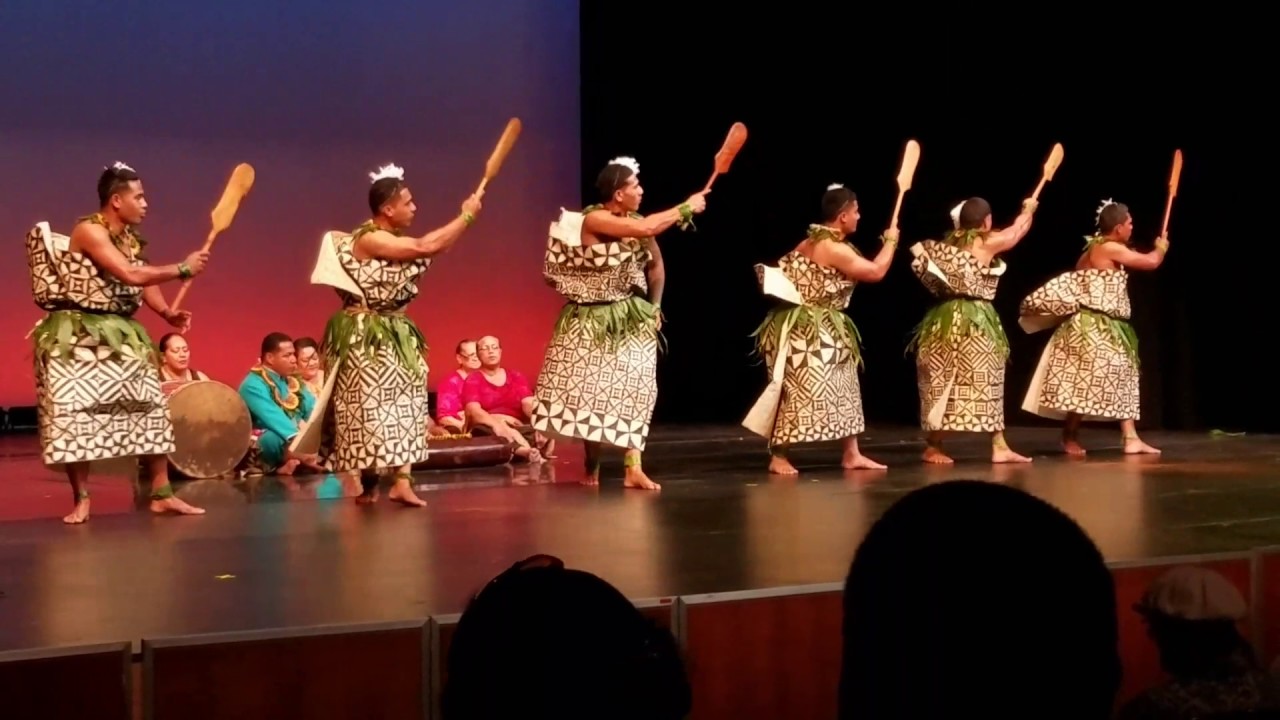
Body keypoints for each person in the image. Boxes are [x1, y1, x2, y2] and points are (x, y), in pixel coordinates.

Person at [25, 162, 209, 523]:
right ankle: (82, 498)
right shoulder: (90, 231)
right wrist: (183, 269)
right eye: (138, 197)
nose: (145, 204)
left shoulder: (127, 238)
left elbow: (141, 279)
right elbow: (128, 273)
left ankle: (161, 494)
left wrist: (166, 314)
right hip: (77, 335)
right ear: (115, 200)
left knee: (151, 407)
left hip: (120, 332)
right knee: (74, 415)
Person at [530, 156, 705, 490]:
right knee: (590, 394)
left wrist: (655, 307)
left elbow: (656, 267)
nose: (641, 191)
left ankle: (632, 468)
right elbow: (646, 228)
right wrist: (685, 207)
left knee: (638, 390)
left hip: (631, 317)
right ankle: (591, 465)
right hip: (591, 316)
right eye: (634, 186)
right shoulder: (594, 219)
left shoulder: (636, 220)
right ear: (618, 193)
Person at [312, 162, 482, 506]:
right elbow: (425, 247)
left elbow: (431, 246)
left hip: (397, 333)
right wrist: (465, 216)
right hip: (364, 335)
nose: (414, 207)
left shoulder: (391, 239)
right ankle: (370, 482)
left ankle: (402, 482)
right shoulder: (371, 239)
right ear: (387, 209)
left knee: (406, 408)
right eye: (408, 202)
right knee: (369, 411)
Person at [746, 184, 895, 474]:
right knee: (795, 390)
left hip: (825, 325)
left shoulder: (808, 243)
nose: (859, 216)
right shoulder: (831, 247)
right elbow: (875, 272)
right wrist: (890, 242)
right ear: (842, 216)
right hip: (810, 330)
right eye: (856, 211)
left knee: (845, 387)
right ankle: (778, 455)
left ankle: (851, 454)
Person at [1020, 200, 1165, 455]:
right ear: (1118, 228)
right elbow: (1150, 262)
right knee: (1090, 382)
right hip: (1093, 327)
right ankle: (1075, 436)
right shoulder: (1109, 248)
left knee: (1104, 378)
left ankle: (1121, 437)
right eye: (1129, 222)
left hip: (1093, 326)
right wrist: (1160, 249)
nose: (1132, 226)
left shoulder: (1090, 252)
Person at [906, 196, 1037, 464]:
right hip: (975, 319)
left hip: (943, 319)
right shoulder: (985, 243)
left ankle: (938, 444)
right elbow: (1016, 232)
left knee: (943, 379)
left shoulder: (945, 245)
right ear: (986, 222)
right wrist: (1028, 210)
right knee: (987, 377)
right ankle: (989, 445)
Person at [239, 332, 319, 474]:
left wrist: (317, 429)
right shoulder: (252, 384)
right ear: (270, 358)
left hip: (295, 437)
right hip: (267, 438)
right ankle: (291, 463)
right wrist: (301, 440)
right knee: (272, 438)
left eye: (293, 354)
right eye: (287, 355)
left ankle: (299, 461)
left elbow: (312, 409)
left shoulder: (292, 380)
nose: (294, 360)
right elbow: (273, 417)